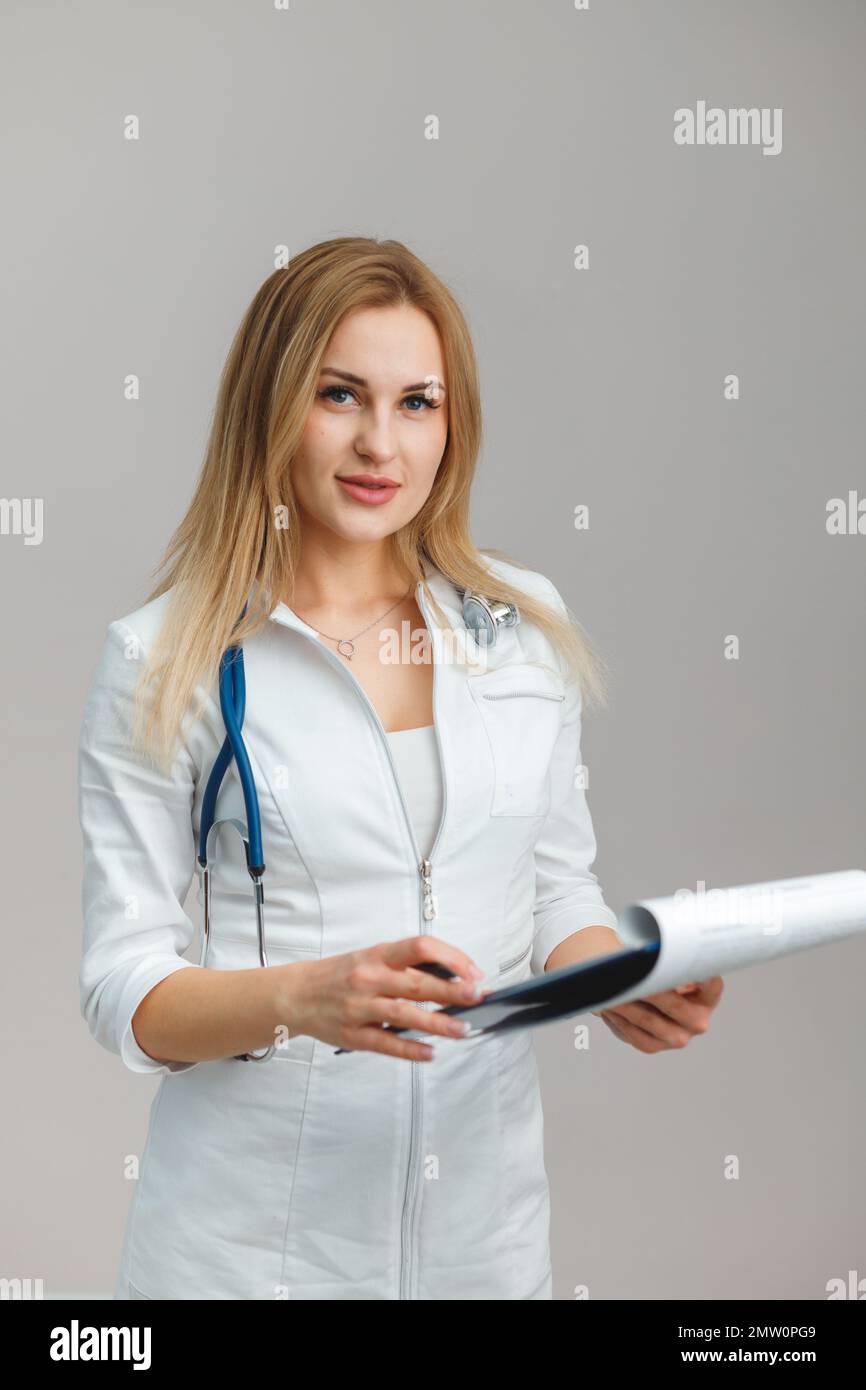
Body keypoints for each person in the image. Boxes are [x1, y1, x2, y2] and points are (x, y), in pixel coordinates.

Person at [77, 236, 722, 1301]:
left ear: (451, 421)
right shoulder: (167, 655)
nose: (380, 442)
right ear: (273, 405)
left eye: (416, 402)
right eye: (340, 395)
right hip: (246, 1255)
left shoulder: (518, 626)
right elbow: (124, 986)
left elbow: (554, 890)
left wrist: (622, 977)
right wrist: (300, 997)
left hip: (482, 1239)